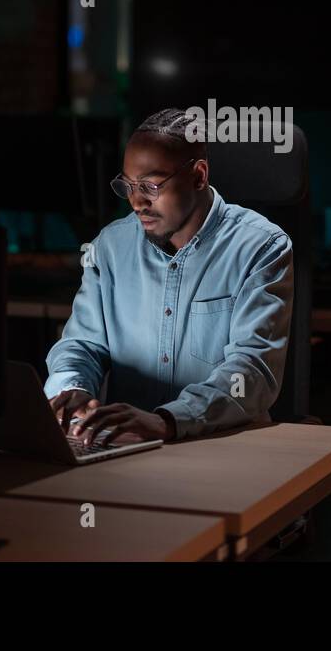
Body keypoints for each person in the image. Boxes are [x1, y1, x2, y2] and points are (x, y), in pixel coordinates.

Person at [44, 107, 293, 445]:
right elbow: (82, 344)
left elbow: (252, 371)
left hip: (223, 445)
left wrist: (168, 421)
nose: (136, 202)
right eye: (128, 186)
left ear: (199, 176)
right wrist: (70, 390)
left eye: (150, 185)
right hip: (123, 444)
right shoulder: (111, 246)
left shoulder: (261, 247)